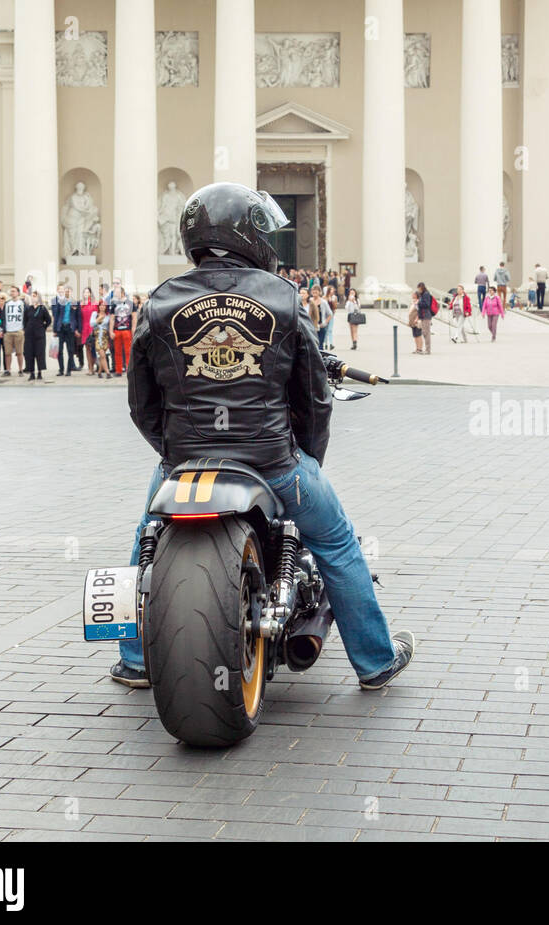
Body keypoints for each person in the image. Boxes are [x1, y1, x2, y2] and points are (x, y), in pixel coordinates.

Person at [118, 181, 413, 690]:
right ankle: (375, 661)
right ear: (248, 236)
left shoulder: (160, 301)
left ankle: (136, 661)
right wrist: (307, 455)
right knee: (338, 544)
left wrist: (171, 453)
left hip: (184, 462)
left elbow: (141, 400)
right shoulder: (283, 298)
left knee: (144, 543)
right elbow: (314, 396)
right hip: (273, 462)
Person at [22, 290, 52, 380]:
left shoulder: (42, 308)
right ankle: (31, 373)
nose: (33, 297)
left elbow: (49, 320)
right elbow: (25, 320)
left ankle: (39, 372)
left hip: (39, 335)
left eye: (35, 296)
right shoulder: (28, 308)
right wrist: (26, 329)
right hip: (29, 335)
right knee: (29, 353)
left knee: (39, 353)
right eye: (32, 296)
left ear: (38, 297)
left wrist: (43, 327)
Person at [51, 285, 80, 376]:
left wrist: (78, 329)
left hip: (70, 328)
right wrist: (55, 329)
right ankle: (61, 369)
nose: (67, 293)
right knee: (59, 350)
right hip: (61, 328)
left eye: (68, 291)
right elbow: (56, 316)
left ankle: (69, 369)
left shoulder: (75, 302)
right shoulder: (60, 302)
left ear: (71, 292)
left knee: (70, 350)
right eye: (65, 291)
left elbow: (78, 317)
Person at [107, 284, 135, 376]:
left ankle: (129, 370)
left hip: (127, 330)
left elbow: (134, 317)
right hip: (117, 330)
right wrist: (111, 331)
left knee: (128, 351)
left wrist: (133, 329)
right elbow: (112, 318)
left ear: (122, 293)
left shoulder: (130, 303)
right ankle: (118, 370)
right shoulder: (114, 304)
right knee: (117, 351)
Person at [0, 286, 26, 376]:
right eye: (11, 291)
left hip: (19, 330)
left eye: (14, 291)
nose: (12, 293)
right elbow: (3, 317)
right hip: (8, 331)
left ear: (18, 293)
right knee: (7, 352)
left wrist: (24, 329)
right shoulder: (7, 303)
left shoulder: (22, 303)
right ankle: (8, 370)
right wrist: (4, 329)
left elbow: (26, 316)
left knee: (20, 352)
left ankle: (20, 369)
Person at [415, 282, 435, 353]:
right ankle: (426, 349)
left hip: (426, 316)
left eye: (419, 288)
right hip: (423, 316)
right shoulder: (422, 295)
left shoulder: (426, 294)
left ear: (422, 288)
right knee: (424, 332)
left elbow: (426, 304)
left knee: (426, 333)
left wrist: (418, 303)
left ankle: (428, 350)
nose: (418, 290)